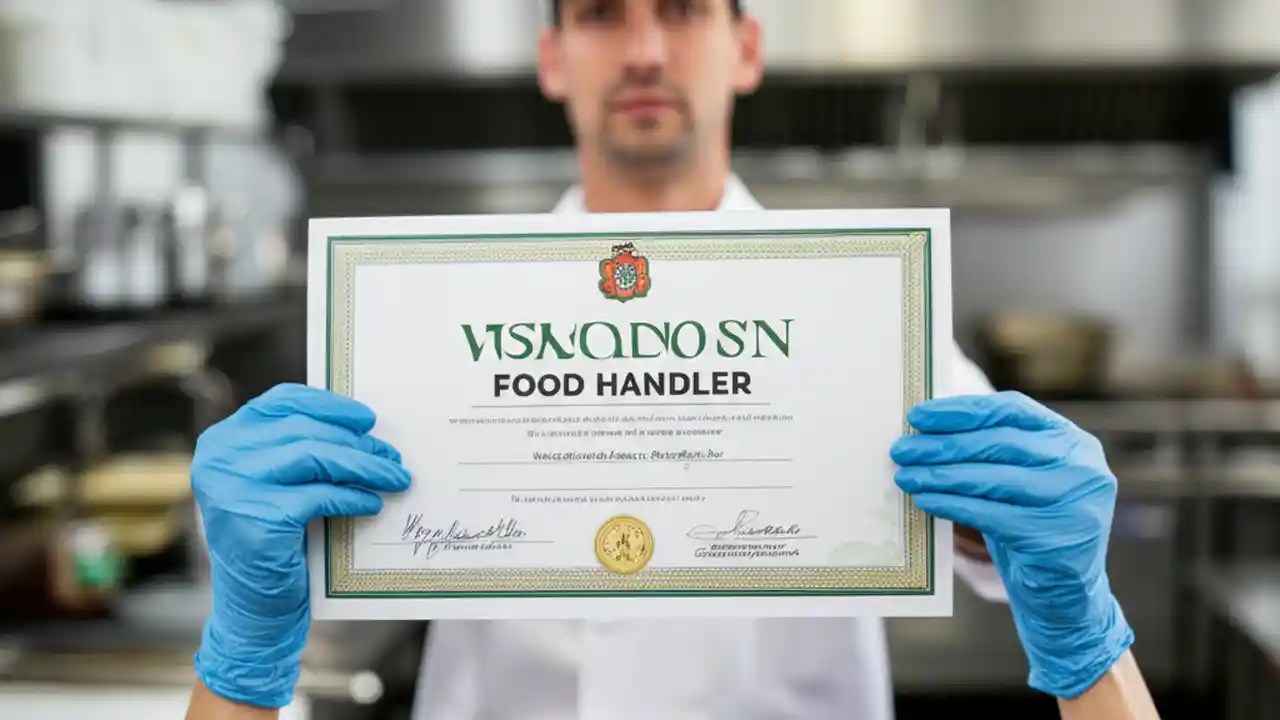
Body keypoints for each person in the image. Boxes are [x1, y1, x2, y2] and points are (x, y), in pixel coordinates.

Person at [185, 1, 1160, 719]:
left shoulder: (858, 310)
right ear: (552, 58)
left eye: (683, 10)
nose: (645, 50)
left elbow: (990, 537)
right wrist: (250, 627)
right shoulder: (435, 313)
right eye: (602, 15)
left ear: (746, 49)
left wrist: (1023, 551)